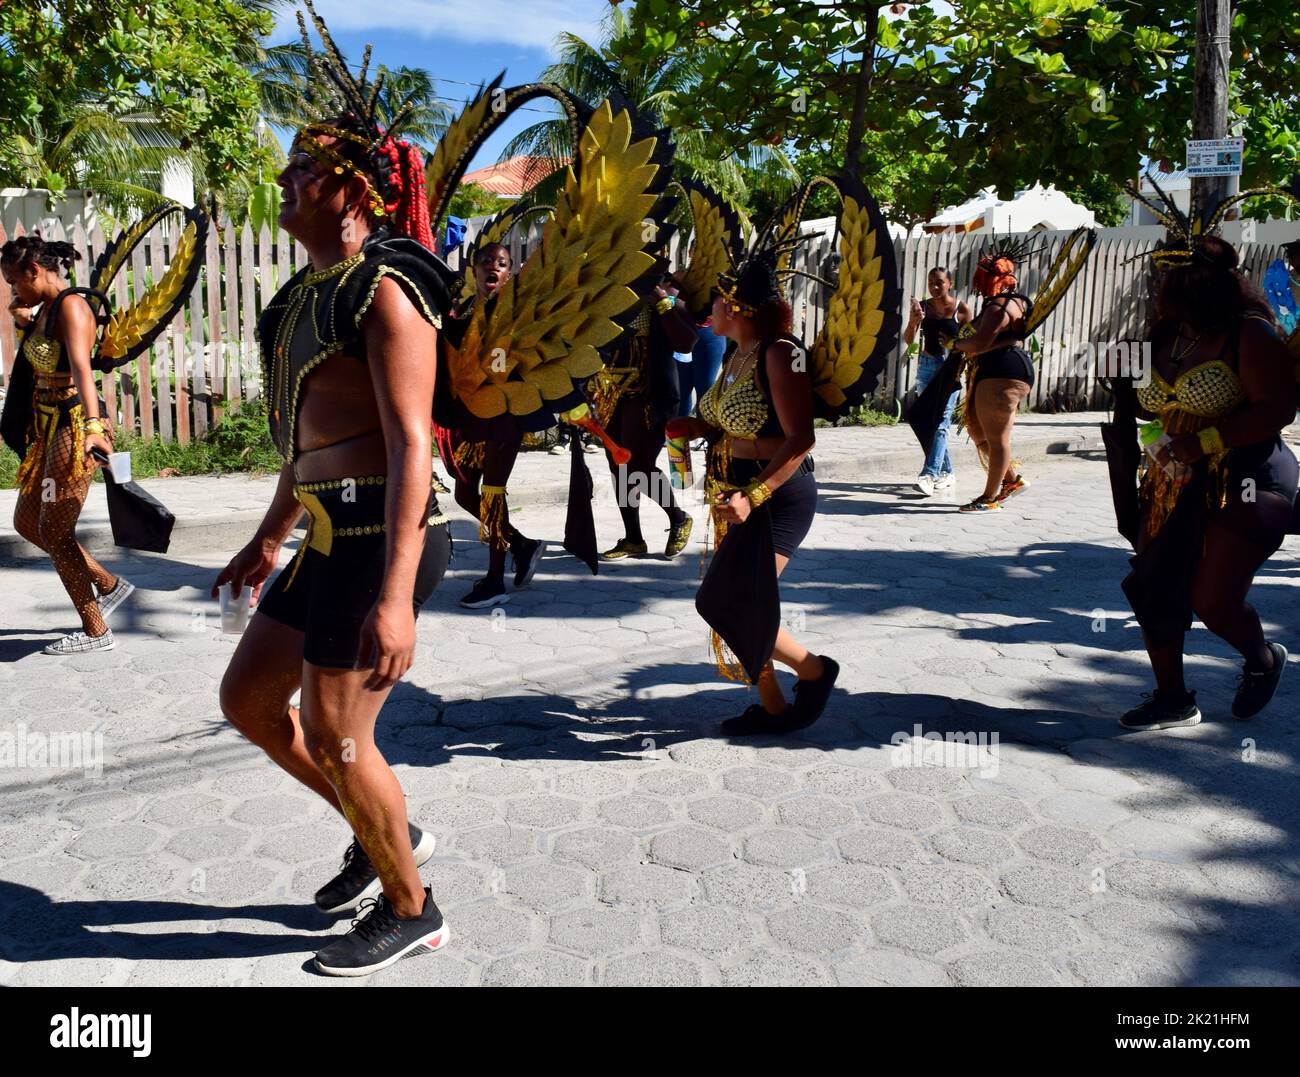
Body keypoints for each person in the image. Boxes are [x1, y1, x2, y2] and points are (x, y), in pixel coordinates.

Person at [213, 6, 455, 977]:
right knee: (250, 700)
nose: (283, 180)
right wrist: (268, 536)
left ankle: (414, 906)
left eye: (300, 168)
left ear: (348, 187)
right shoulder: (310, 299)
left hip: (382, 539)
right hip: (324, 534)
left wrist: (396, 598)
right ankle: (381, 828)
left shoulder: (389, 291)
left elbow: (407, 445)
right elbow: (305, 448)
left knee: (340, 734)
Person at [1115, 234, 1296, 731]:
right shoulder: (1157, 336)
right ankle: (1173, 698)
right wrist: (1152, 434)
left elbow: (1278, 409)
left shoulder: (1251, 335)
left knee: (1213, 600)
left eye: (1169, 283)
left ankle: (1262, 658)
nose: (1159, 291)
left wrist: (1204, 442)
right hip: (1171, 483)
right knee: (1156, 587)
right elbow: (1131, 402)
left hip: (1247, 480)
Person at [670, 252, 836, 734]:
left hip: (776, 498)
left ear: (739, 308)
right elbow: (732, 418)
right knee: (735, 602)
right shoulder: (736, 354)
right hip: (735, 497)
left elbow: (800, 438)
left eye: (718, 300)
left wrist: (754, 494)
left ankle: (814, 671)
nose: (710, 308)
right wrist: (694, 424)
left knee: (727, 601)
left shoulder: (781, 352)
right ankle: (775, 709)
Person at [1, 235, 133, 653]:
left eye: (13, 281)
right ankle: (108, 585)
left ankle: (96, 631)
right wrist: (23, 321)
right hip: (47, 426)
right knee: (28, 522)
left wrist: (94, 426)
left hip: (74, 426)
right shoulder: (45, 311)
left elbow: (80, 369)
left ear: (34, 271)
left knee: (55, 531)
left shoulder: (73, 307)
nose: (12, 290)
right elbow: (45, 359)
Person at [439, 241, 545, 610]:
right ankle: (521, 545)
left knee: (492, 493)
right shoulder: (465, 310)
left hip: (504, 418)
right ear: (475, 270)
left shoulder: (514, 313)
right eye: (486, 262)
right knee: (465, 495)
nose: (493, 268)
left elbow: (507, 364)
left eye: (501, 263)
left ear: (509, 272)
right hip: (473, 421)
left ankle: (496, 580)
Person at [591, 272, 698, 560]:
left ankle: (678, 518)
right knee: (619, 466)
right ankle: (633, 538)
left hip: (652, 394)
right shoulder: (605, 284)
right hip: (611, 392)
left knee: (637, 466)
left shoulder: (665, 294)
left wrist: (662, 302)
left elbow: (686, 343)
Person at [951, 246, 1035, 513]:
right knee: (977, 430)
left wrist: (955, 344)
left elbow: (979, 341)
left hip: (1004, 371)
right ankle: (1011, 481)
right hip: (992, 369)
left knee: (998, 439)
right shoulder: (1001, 303)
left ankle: (990, 498)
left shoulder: (1001, 306)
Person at [902, 266, 970, 495]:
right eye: (931, 282)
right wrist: (913, 321)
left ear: (949, 283)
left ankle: (929, 474)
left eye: (939, 282)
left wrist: (955, 343)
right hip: (927, 366)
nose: (934, 286)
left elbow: (972, 343)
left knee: (941, 420)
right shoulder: (923, 307)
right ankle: (947, 472)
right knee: (927, 421)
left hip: (950, 368)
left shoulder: (961, 310)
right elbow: (908, 339)